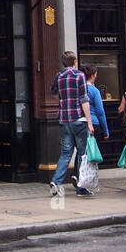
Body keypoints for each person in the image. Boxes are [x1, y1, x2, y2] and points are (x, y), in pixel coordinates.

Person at [50, 51, 94, 198]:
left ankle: (56, 181)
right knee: (82, 153)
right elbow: (84, 99)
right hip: (78, 119)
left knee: (65, 153)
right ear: (75, 61)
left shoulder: (59, 75)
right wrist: (89, 122)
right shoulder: (79, 76)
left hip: (64, 119)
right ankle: (81, 187)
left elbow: (53, 91)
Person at [80, 64, 109, 198]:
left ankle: (79, 177)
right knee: (92, 155)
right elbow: (100, 111)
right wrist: (105, 130)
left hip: (81, 123)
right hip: (94, 124)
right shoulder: (94, 91)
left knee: (82, 153)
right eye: (96, 73)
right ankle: (87, 182)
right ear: (92, 75)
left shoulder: (79, 89)